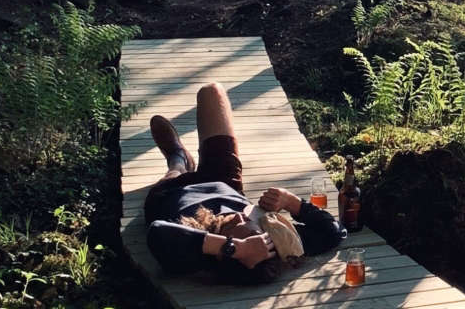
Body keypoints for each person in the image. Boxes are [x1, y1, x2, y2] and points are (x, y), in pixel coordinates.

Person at [143, 82, 343, 282]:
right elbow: (332, 232)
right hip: (225, 183)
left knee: (175, 173)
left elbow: (158, 232)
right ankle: (182, 161)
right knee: (211, 92)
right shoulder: (269, 242)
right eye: (252, 226)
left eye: (243, 232)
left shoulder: (196, 255)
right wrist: (291, 202)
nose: (241, 217)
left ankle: (178, 158)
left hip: (174, 191)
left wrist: (232, 248)